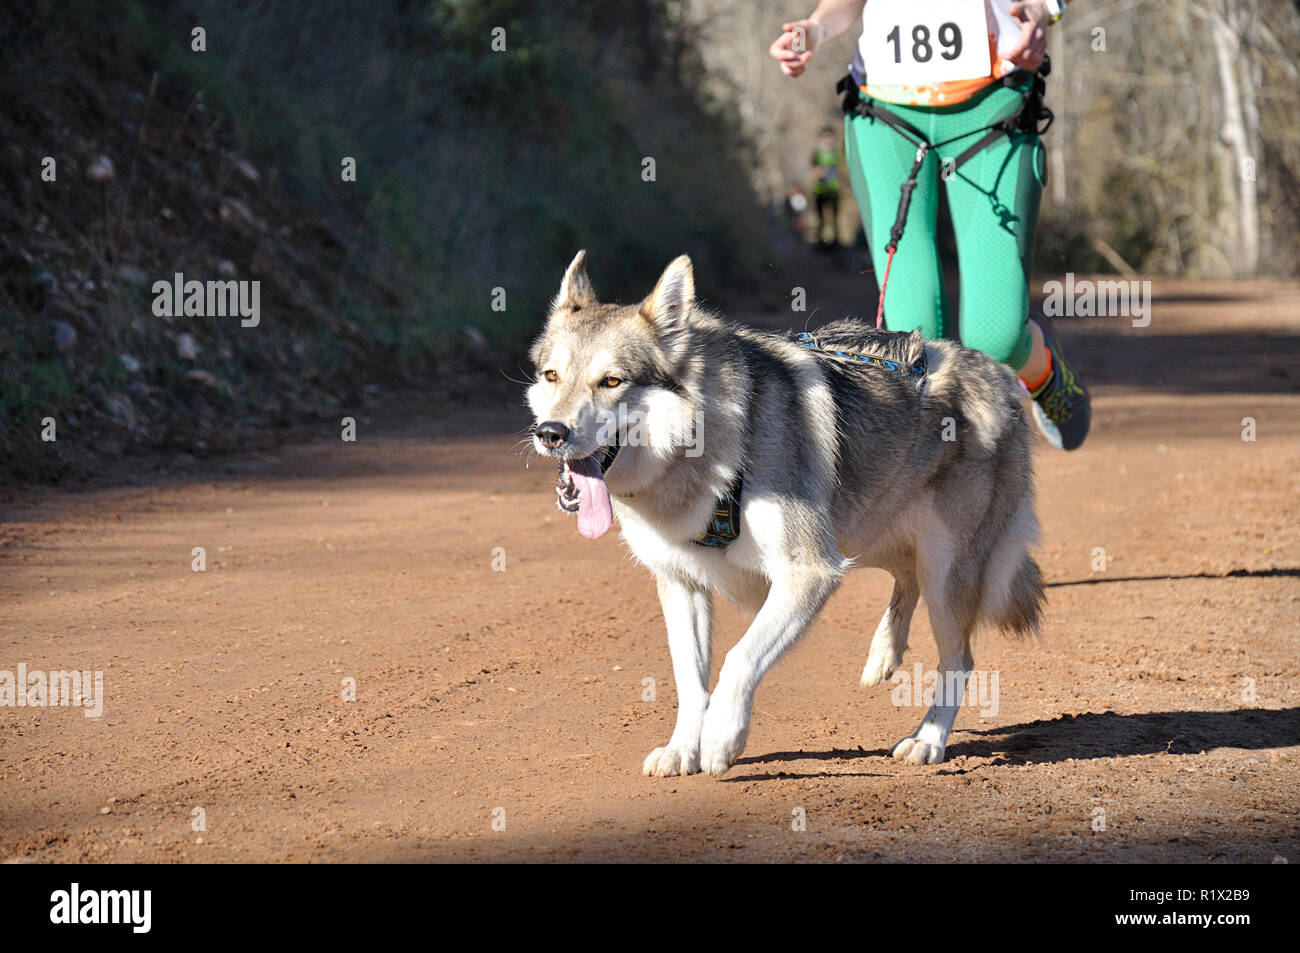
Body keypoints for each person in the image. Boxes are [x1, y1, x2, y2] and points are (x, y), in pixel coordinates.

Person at [769, 0, 1090, 450]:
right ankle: (940, 482)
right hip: (885, 115)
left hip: (993, 104)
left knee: (993, 338)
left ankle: (1042, 368)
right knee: (911, 340)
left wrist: (1039, 12)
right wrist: (815, 29)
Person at [810, 126, 842, 248]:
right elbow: (813, 171)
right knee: (821, 219)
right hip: (820, 191)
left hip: (834, 190)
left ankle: (836, 243)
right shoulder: (817, 154)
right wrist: (820, 172)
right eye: (826, 137)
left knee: (834, 219)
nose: (829, 140)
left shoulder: (836, 154)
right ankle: (821, 243)